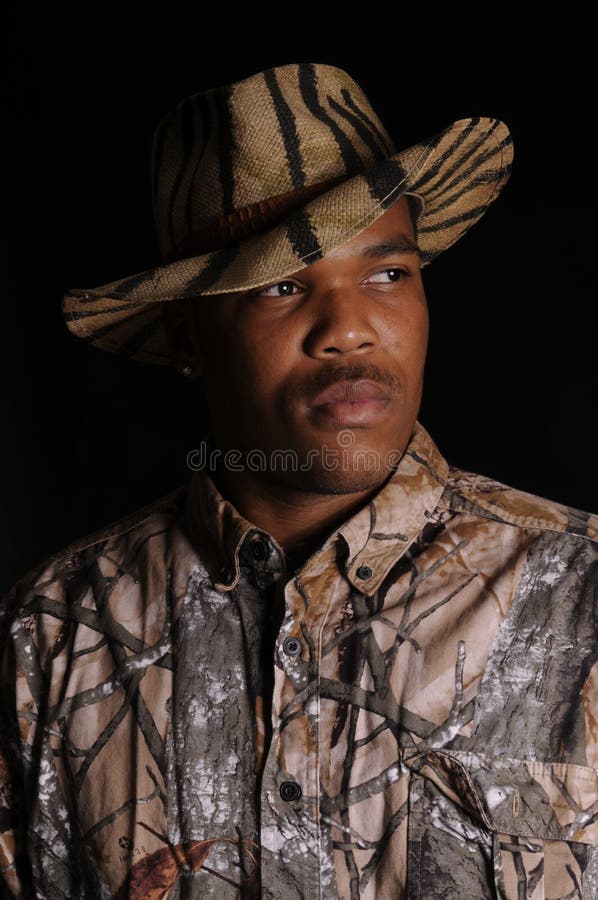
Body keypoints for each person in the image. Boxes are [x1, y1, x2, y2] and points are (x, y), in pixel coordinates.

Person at [1, 61, 597, 900]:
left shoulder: (581, 597)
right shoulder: (54, 640)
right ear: (186, 335)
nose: (349, 329)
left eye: (387, 273)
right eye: (282, 286)